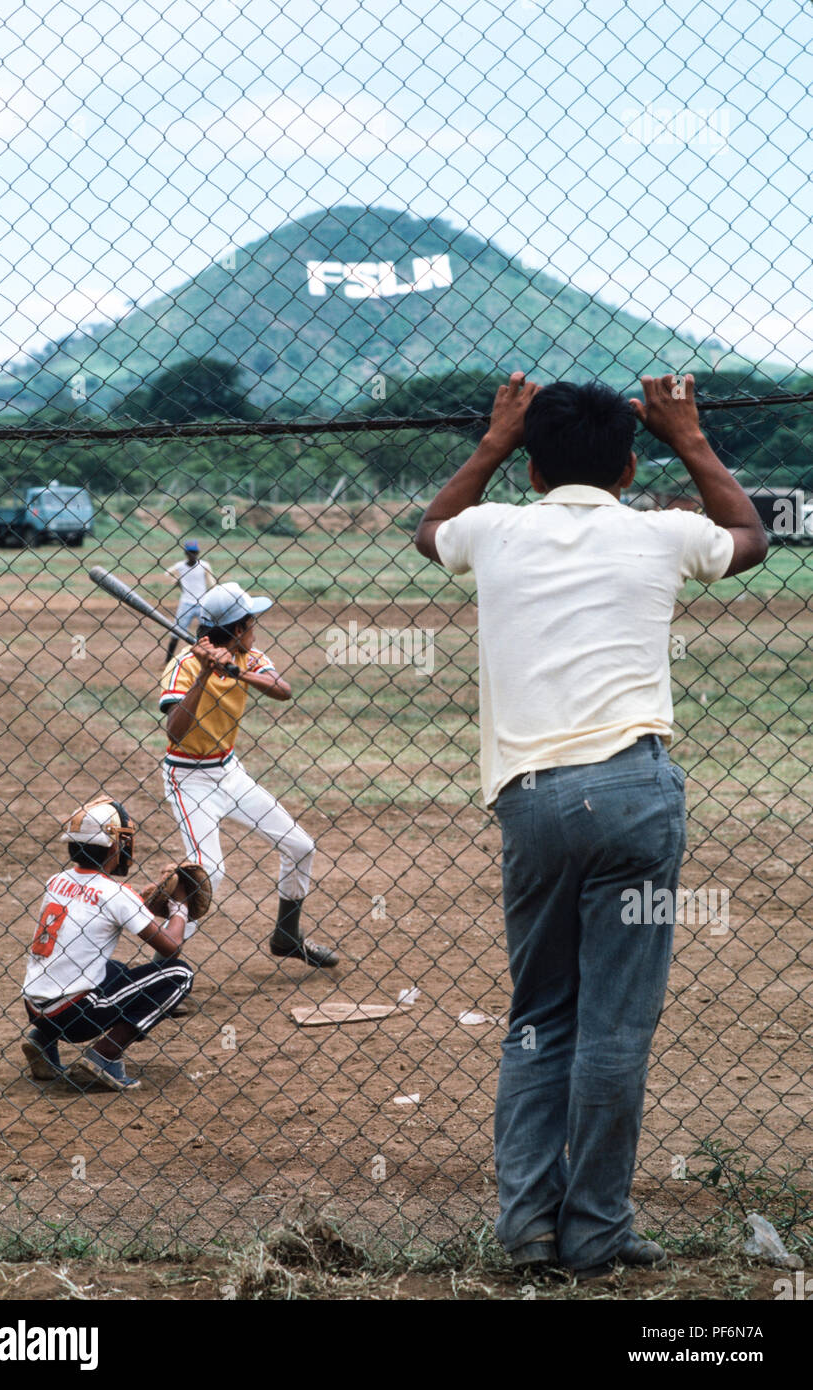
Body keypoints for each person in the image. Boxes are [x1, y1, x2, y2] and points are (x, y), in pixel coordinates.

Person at [415, 372, 768, 1279]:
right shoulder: (660, 534)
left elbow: (431, 531)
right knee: (616, 1028)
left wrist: (492, 442)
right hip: (636, 799)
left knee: (539, 1018)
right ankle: (596, 1232)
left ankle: (529, 1231)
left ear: (531, 469)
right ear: (627, 464)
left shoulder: (494, 531)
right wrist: (690, 439)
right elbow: (750, 536)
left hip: (534, 803)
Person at [159, 580, 338, 968]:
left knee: (300, 846)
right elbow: (174, 730)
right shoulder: (185, 666)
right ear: (238, 628)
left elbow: (282, 689)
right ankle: (164, 966)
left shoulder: (249, 656)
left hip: (229, 771)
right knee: (210, 872)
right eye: (252, 621)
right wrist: (206, 675)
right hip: (188, 778)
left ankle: (287, 936)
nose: (256, 627)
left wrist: (234, 672)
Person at [21, 796, 195, 1092]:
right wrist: (180, 906)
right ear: (114, 847)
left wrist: (142, 903)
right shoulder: (116, 894)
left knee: (114, 969)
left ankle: (43, 1040)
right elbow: (170, 947)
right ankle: (106, 1054)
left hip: (35, 1006)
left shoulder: (56, 880)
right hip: (77, 1016)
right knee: (180, 974)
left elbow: (97, 905)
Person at [164, 540, 215, 663]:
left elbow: (212, 583)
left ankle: (211, 657)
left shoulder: (204, 565)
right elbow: (167, 573)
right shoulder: (180, 566)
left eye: (194, 552)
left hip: (202, 603)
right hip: (186, 603)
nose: (192, 555)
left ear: (197, 553)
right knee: (176, 632)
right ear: (186, 553)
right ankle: (167, 660)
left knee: (208, 631)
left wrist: (211, 593)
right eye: (190, 553)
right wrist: (177, 581)